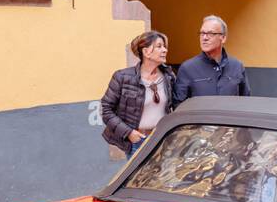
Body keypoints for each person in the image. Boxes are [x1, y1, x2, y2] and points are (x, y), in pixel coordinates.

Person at [100, 30, 176, 158]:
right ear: (146, 52)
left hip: (163, 139)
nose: (164, 50)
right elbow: (106, 110)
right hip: (138, 141)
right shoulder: (122, 77)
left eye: (164, 46)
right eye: (159, 46)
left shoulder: (169, 76)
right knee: (141, 178)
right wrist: (129, 133)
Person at [173, 15, 251, 104]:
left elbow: (245, 101)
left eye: (210, 33)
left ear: (223, 38)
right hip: (200, 118)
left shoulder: (237, 66)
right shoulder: (187, 68)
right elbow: (179, 105)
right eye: (202, 33)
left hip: (228, 118)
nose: (204, 38)